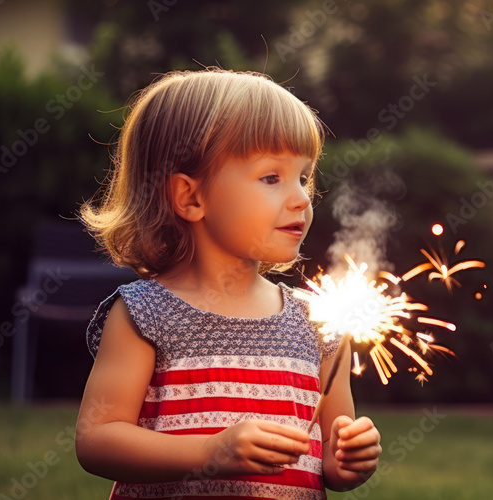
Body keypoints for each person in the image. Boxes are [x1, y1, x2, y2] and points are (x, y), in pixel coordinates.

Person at [74, 68, 382, 500]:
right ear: (191, 197)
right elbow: (97, 441)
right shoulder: (145, 315)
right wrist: (208, 451)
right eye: (271, 177)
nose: (301, 198)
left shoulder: (320, 326)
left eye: (304, 177)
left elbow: (328, 460)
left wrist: (350, 458)